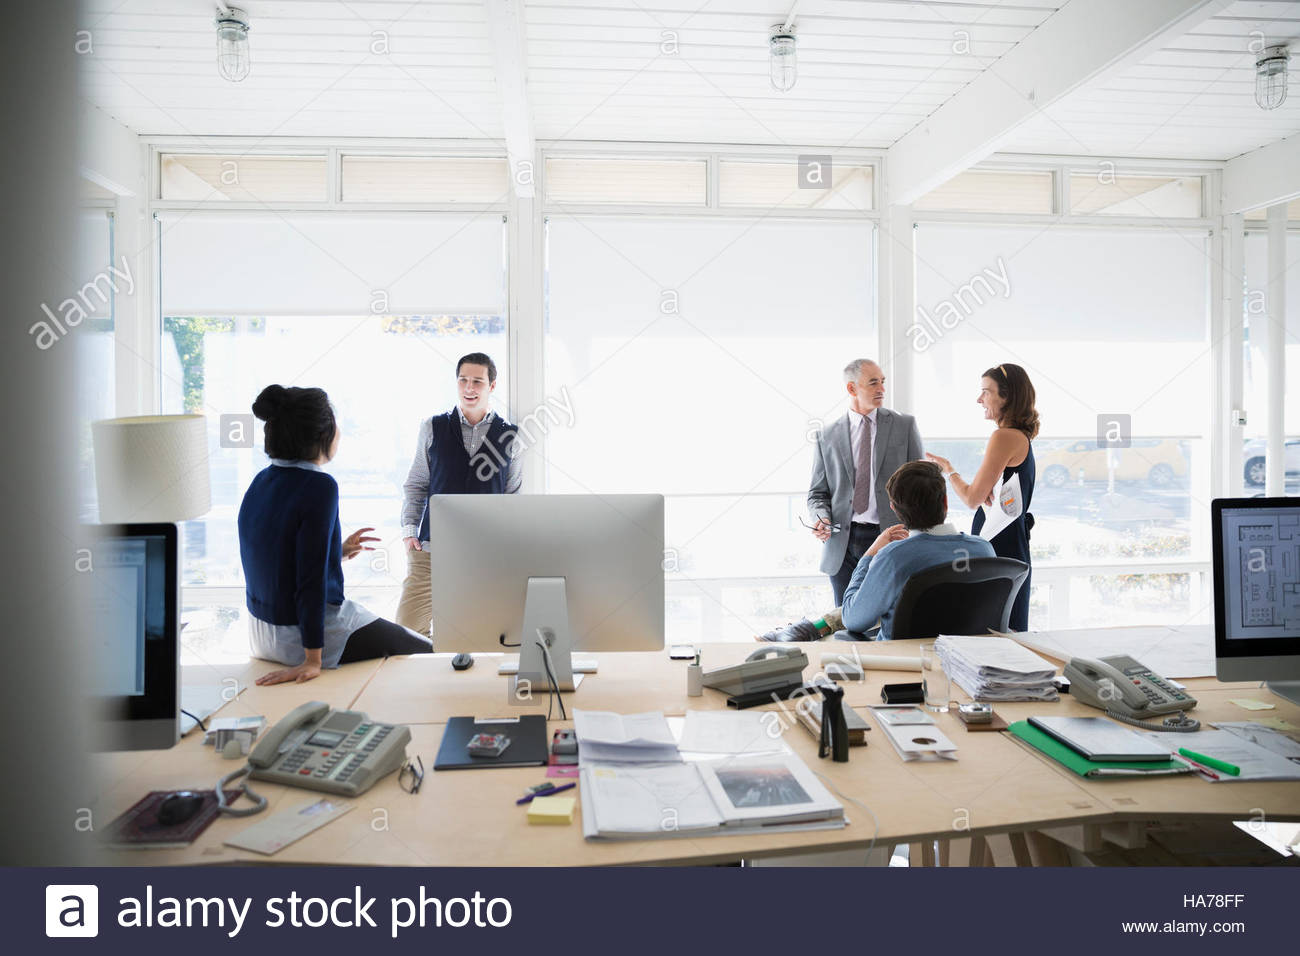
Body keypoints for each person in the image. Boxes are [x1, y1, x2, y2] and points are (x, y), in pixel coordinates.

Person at [238, 385, 432, 685]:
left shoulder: (261, 481)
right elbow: (310, 580)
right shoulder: (320, 485)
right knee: (432, 653)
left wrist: (336, 552)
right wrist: (313, 659)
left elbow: (274, 556)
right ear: (322, 434)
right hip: (302, 637)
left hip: (261, 635)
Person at [396, 353, 520, 635]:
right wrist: (408, 530)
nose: (469, 388)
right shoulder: (432, 427)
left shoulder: (511, 435)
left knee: (478, 635)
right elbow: (416, 484)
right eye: (463, 380)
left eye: (478, 381)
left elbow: (513, 496)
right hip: (430, 550)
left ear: (492, 385)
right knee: (407, 631)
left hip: (485, 553)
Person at [926, 363, 1038, 631]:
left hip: (998, 546)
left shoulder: (1003, 437)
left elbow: (972, 499)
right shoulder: (1019, 437)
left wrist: (948, 470)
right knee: (1007, 634)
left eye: (986, 392)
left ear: (1007, 397)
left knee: (989, 635)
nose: (979, 399)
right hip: (1011, 544)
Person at [808, 358, 925, 607]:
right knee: (846, 622)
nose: (881, 389)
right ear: (851, 389)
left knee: (893, 620)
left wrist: (916, 532)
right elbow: (818, 493)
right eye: (873, 383)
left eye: (882, 382)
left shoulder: (904, 425)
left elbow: (922, 486)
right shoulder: (826, 435)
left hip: (892, 537)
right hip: (842, 544)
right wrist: (821, 518)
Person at [840, 461, 995, 640]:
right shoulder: (984, 550)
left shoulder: (893, 557)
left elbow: (853, 620)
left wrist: (869, 555)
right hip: (968, 660)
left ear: (895, 509)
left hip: (907, 663)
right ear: (945, 501)